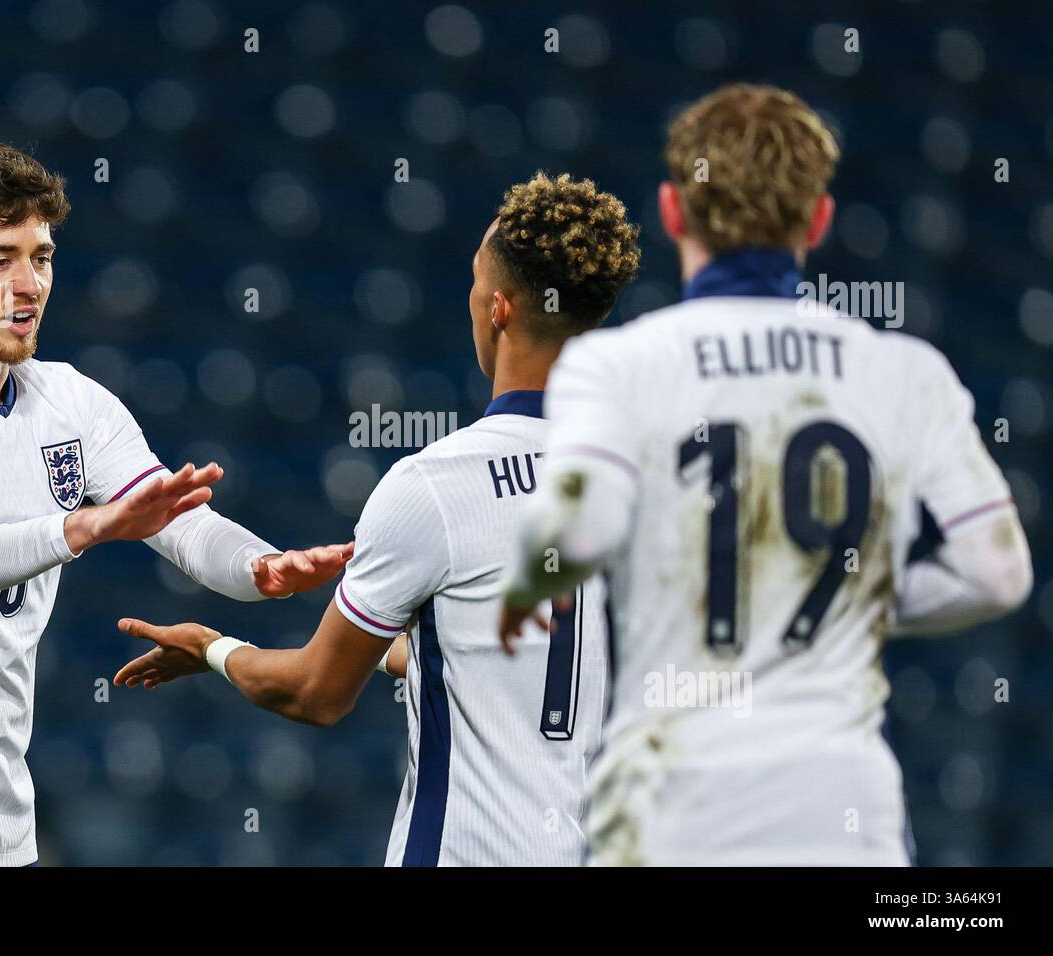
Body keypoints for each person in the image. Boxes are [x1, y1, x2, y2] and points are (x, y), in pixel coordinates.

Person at [498, 84, 1034, 866]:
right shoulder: (906, 372)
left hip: (670, 804)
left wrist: (526, 587)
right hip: (843, 811)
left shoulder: (617, 364)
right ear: (817, 220)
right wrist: (838, 599)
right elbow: (997, 573)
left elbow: (579, 531)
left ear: (673, 210)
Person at [0, 141, 351, 867]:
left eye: (41, 257)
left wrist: (260, 566)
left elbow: (177, 520)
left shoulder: (71, 403)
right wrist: (81, 526)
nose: (29, 285)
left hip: (2, 833)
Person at [114, 172, 641, 865]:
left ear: (501, 308)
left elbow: (314, 694)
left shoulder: (434, 486)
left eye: (477, 283)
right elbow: (521, 657)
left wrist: (212, 649)